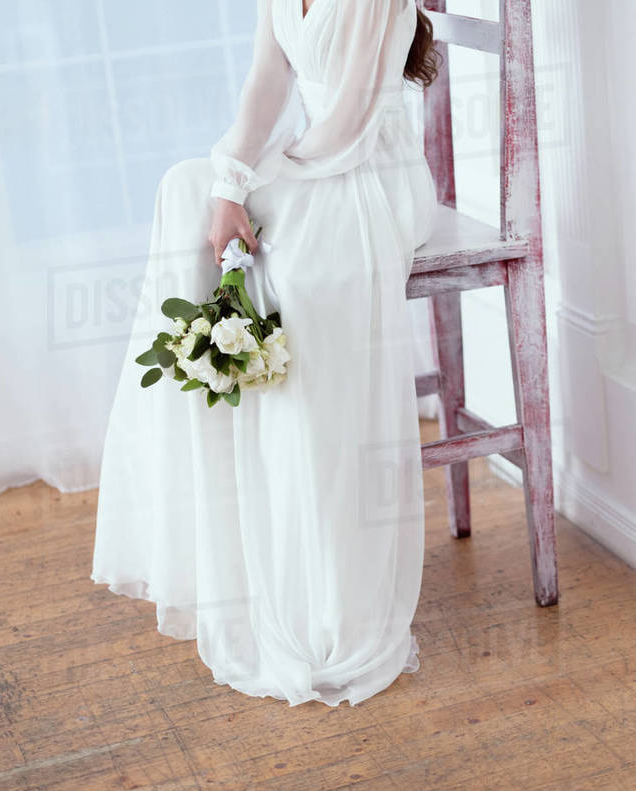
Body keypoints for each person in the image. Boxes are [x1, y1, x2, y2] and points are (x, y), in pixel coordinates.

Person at [91, 0, 440, 707]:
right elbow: (266, 80)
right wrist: (231, 179)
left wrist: (254, 181)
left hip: (370, 172)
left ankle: (323, 571)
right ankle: (227, 541)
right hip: (313, 162)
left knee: (295, 275)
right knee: (185, 191)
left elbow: (348, 120)